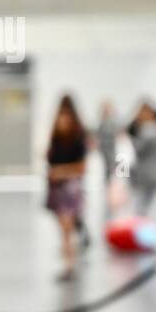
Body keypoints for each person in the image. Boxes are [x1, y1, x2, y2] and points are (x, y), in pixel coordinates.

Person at [45, 95, 90, 281]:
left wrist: (60, 172)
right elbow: (50, 159)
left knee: (66, 229)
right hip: (56, 187)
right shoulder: (55, 137)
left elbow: (82, 168)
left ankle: (69, 265)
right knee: (64, 229)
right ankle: (69, 260)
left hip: (70, 187)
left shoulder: (78, 138)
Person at [129, 102, 156, 216]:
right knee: (152, 205)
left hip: (146, 174)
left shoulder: (147, 129)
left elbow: (138, 150)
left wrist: (129, 140)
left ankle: (143, 224)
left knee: (142, 207)